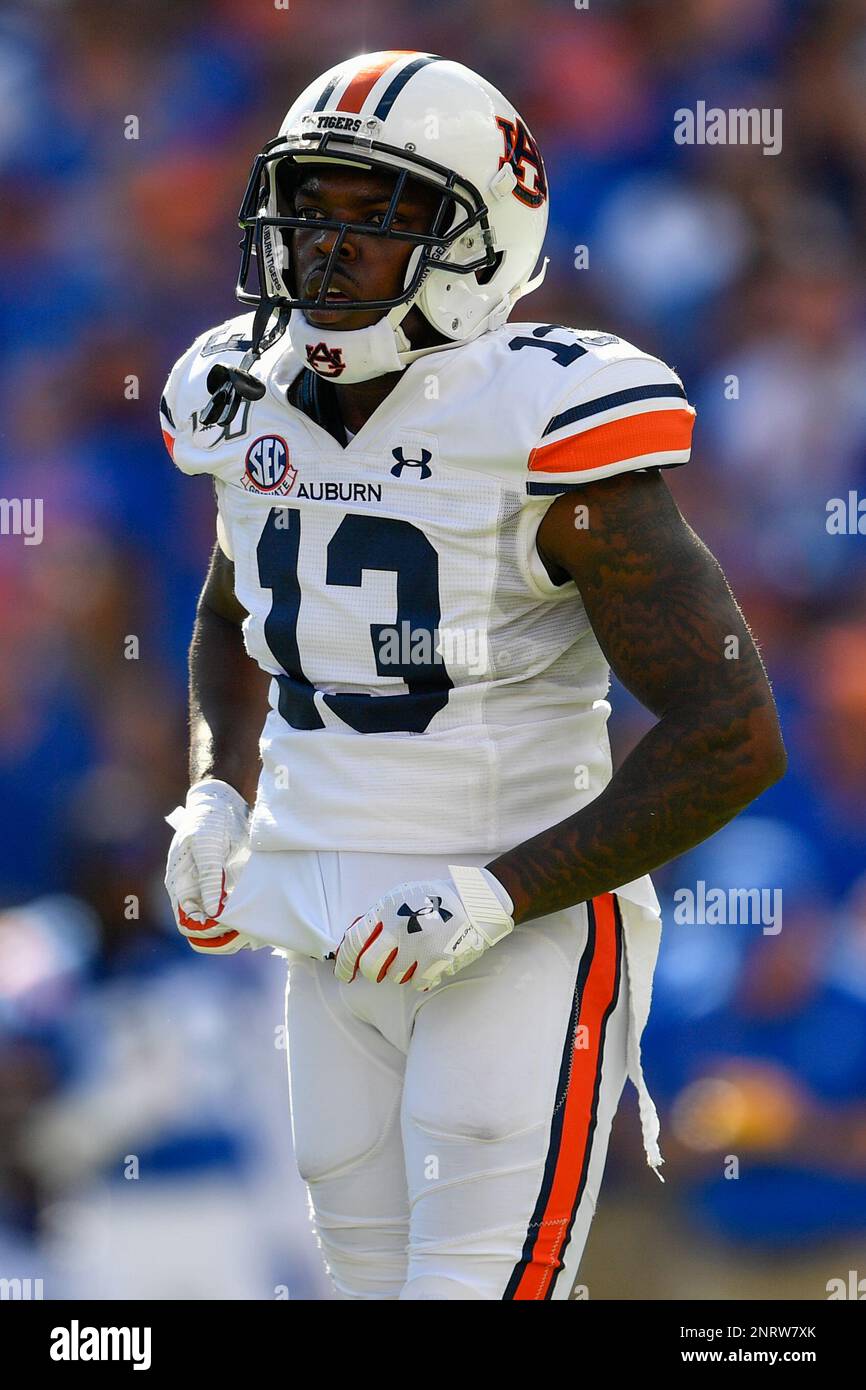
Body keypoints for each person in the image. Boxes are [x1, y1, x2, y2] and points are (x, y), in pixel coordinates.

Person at [161, 51, 786, 1301]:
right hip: (324, 911)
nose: (323, 251)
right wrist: (217, 793)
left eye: (373, 217)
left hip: (520, 916)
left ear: (475, 242)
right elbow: (235, 615)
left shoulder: (544, 423)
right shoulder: (240, 394)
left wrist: (499, 894)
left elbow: (732, 729)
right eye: (309, 208)